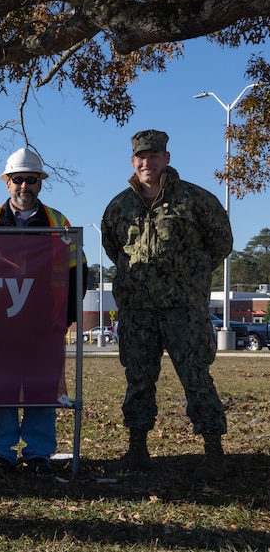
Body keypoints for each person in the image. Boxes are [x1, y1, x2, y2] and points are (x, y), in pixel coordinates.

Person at [102, 130, 232, 481]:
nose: (147, 162)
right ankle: (137, 450)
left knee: (196, 377)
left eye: (154, 156)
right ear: (133, 162)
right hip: (137, 310)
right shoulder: (118, 206)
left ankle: (213, 452)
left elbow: (221, 242)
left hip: (183, 309)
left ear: (166, 158)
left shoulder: (195, 199)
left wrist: (188, 275)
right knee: (138, 381)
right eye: (141, 157)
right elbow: (114, 249)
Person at [0, 148, 81, 477]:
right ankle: (0, 453)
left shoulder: (58, 222)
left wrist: (63, 319)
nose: (24, 186)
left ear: (40, 183)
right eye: (17, 179)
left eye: (31, 180)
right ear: (7, 183)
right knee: (2, 390)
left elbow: (77, 273)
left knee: (41, 390)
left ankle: (39, 454)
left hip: (44, 325)